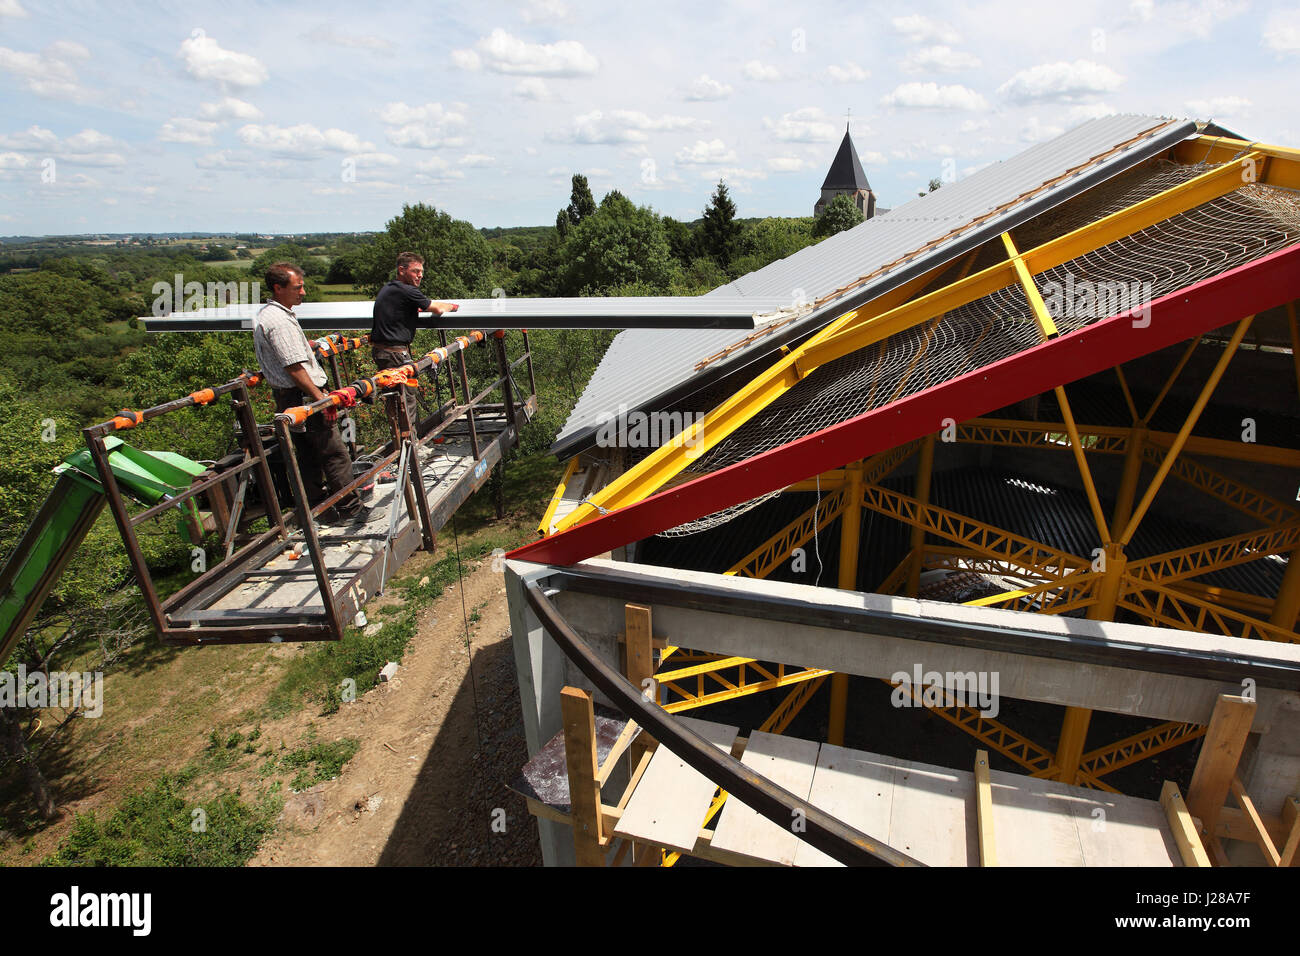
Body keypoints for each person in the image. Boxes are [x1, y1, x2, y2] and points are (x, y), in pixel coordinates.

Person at [253, 262, 367, 523]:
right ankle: (351, 510)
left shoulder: (270, 315)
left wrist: (308, 346)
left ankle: (320, 510)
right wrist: (321, 399)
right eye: (298, 287)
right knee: (334, 452)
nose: (303, 292)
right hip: (301, 395)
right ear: (278, 288)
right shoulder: (279, 322)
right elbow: (294, 367)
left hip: (288, 396)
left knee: (308, 455)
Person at [371, 251, 459, 432]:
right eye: (416, 271)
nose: (420, 276)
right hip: (394, 353)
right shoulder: (407, 290)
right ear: (401, 270)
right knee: (406, 398)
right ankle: (409, 445)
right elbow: (437, 308)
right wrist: (452, 306)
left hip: (385, 351)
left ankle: (404, 441)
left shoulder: (390, 288)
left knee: (395, 398)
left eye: (421, 272)